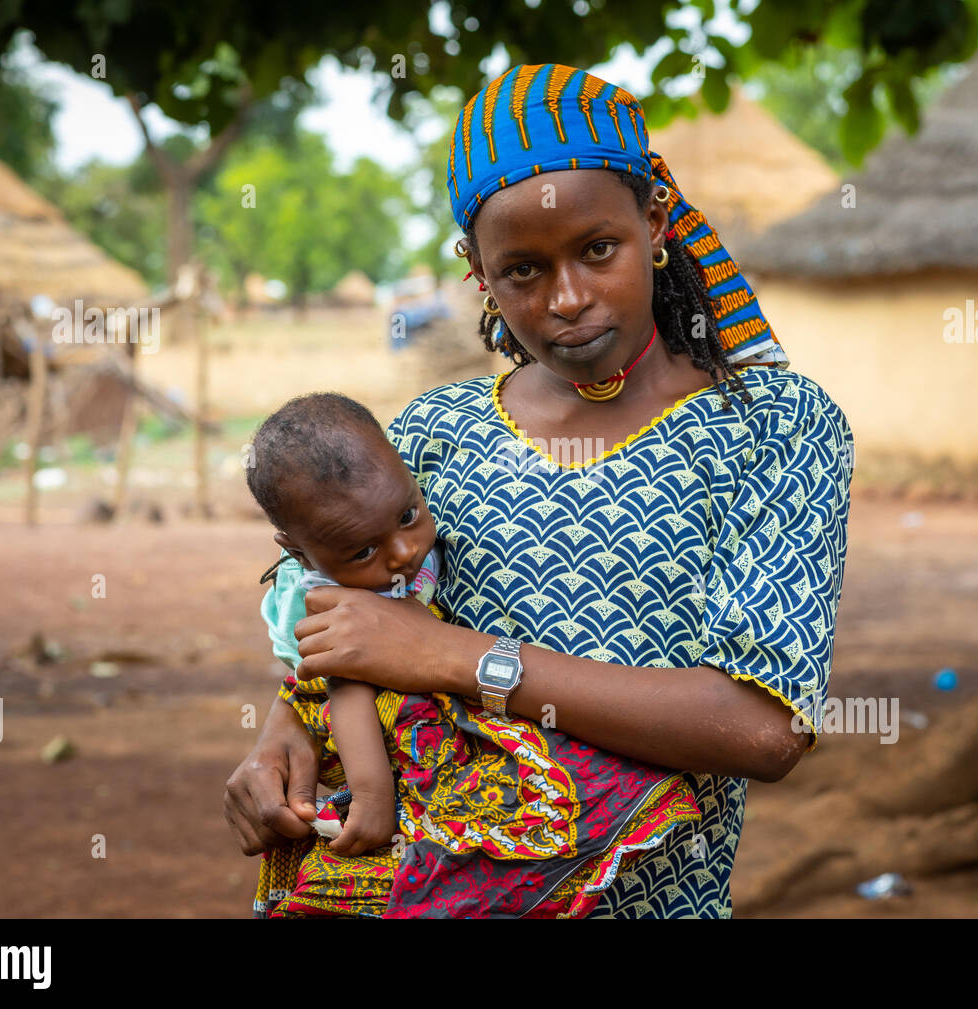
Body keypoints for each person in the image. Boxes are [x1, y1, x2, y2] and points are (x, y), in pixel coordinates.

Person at [225, 62, 855, 918]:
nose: (567, 298)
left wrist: (455, 660)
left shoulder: (774, 426)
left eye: (598, 250)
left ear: (655, 221)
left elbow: (760, 727)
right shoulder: (430, 434)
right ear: (478, 274)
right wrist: (279, 741)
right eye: (521, 270)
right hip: (419, 890)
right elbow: (345, 618)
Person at [243, 391, 703, 918]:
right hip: (379, 722)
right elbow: (344, 686)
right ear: (296, 551)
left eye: (409, 515)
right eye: (365, 551)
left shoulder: (382, 508)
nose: (402, 552)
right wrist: (372, 795)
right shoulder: (326, 592)